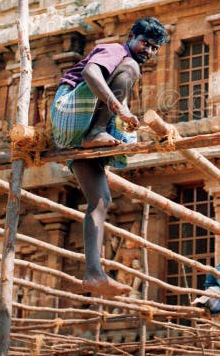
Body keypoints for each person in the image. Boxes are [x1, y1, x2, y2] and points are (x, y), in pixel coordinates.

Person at [51, 17, 169, 297]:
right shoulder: (117, 51)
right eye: (145, 43)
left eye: (154, 48)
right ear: (131, 36)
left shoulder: (125, 63)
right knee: (131, 68)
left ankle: (93, 273)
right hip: (69, 113)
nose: (149, 52)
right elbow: (92, 73)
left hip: (78, 131)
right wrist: (117, 109)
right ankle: (97, 131)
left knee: (101, 199)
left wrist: (124, 119)